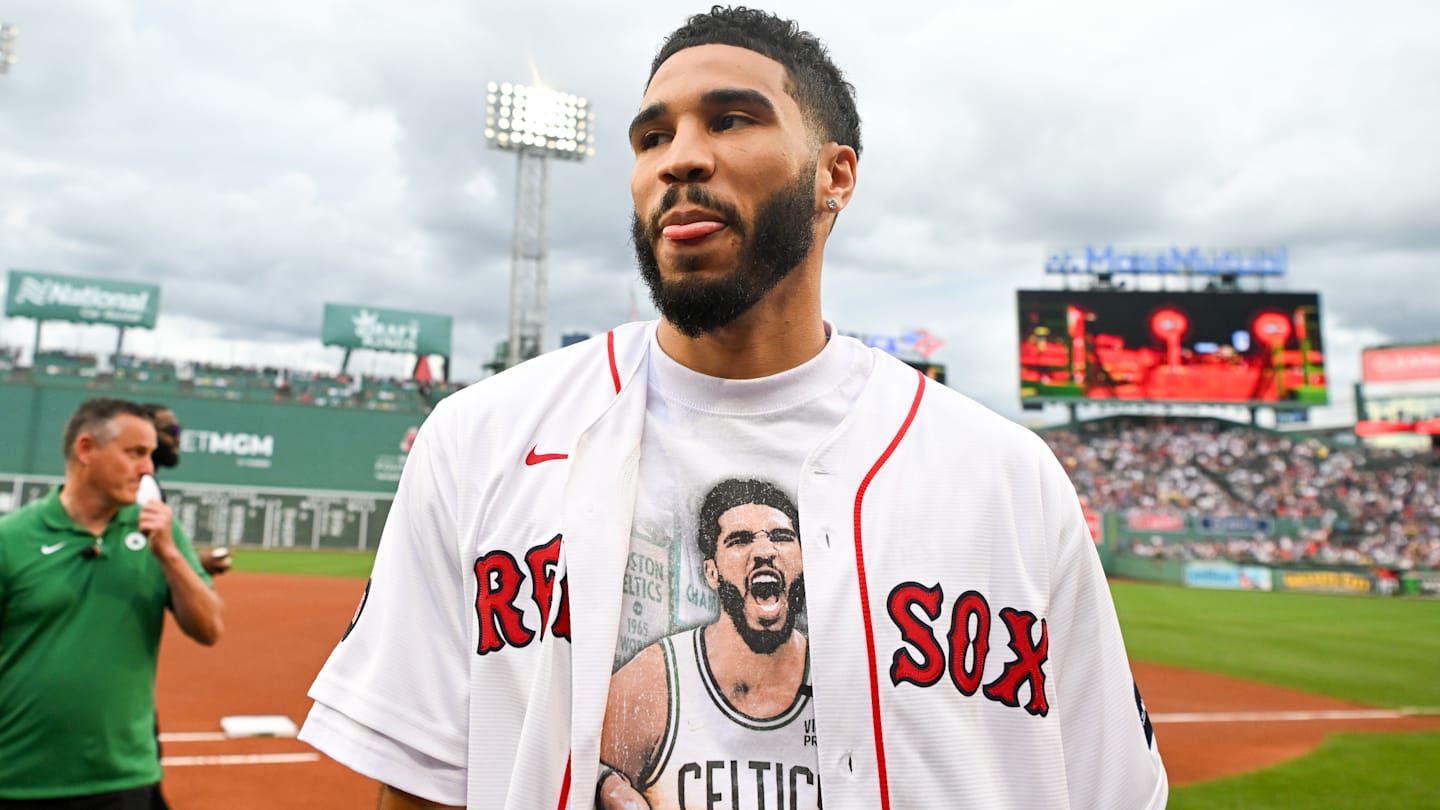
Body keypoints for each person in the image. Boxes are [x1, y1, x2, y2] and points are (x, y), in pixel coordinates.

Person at [300, 7, 1168, 809]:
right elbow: (419, 784)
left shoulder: (1008, 477)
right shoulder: (479, 438)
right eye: (652, 135)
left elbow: (1107, 786)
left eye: (729, 119)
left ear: (836, 175)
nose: (677, 155)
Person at [0, 397, 224, 807]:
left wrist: (170, 556)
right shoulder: (11, 539)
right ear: (86, 449)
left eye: (151, 455)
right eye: (135, 453)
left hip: (124, 779)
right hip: (17, 780)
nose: (148, 469)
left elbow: (209, 629)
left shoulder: (161, 532)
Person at [599, 479, 814, 808]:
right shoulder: (661, 677)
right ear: (712, 573)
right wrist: (608, 787)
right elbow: (565, 757)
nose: (764, 551)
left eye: (781, 537)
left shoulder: (840, 680)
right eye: (740, 541)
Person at [141, 403, 232, 576]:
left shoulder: (144, 482)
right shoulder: (142, 485)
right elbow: (132, 559)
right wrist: (195, 563)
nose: (178, 438)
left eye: (180, 430)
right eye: (172, 430)